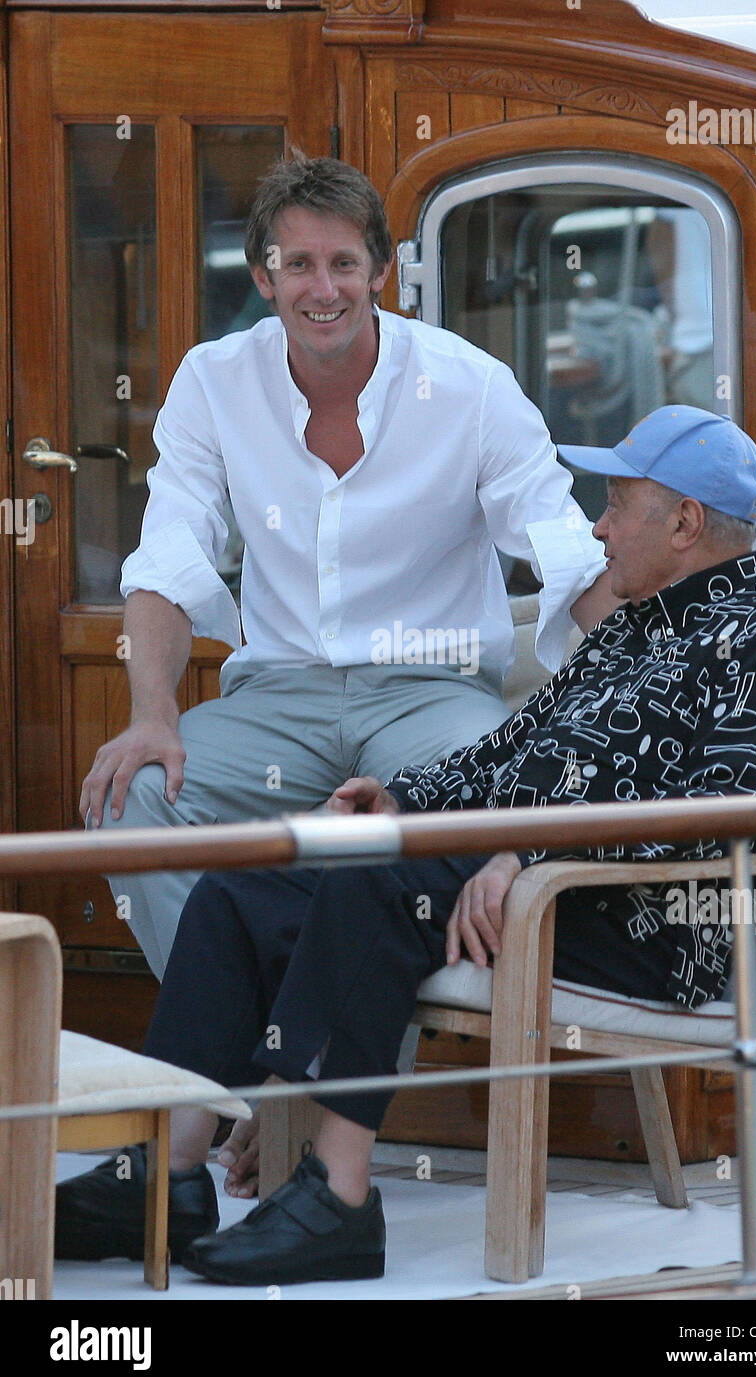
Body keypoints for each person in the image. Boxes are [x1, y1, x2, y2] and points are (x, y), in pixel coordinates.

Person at [57, 405, 756, 1285]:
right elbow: (505, 752)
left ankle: (340, 1195)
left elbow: (715, 814)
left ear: (685, 523)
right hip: (521, 881)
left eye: (617, 505)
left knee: (389, 880)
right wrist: (399, 796)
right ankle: (167, 1170)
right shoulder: (625, 632)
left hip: (640, 924)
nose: (599, 526)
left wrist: (531, 861)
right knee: (240, 892)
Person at [78, 153, 612, 986]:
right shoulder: (213, 382)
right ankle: (231, 1055)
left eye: (342, 264)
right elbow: (170, 552)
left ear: (382, 272)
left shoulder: (470, 387)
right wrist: (153, 715)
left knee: (501, 802)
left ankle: (322, 1064)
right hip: (278, 697)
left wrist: (646, 665)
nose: (321, 289)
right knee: (134, 796)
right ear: (263, 276)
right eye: (298, 265)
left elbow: (560, 544)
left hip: (430, 695)